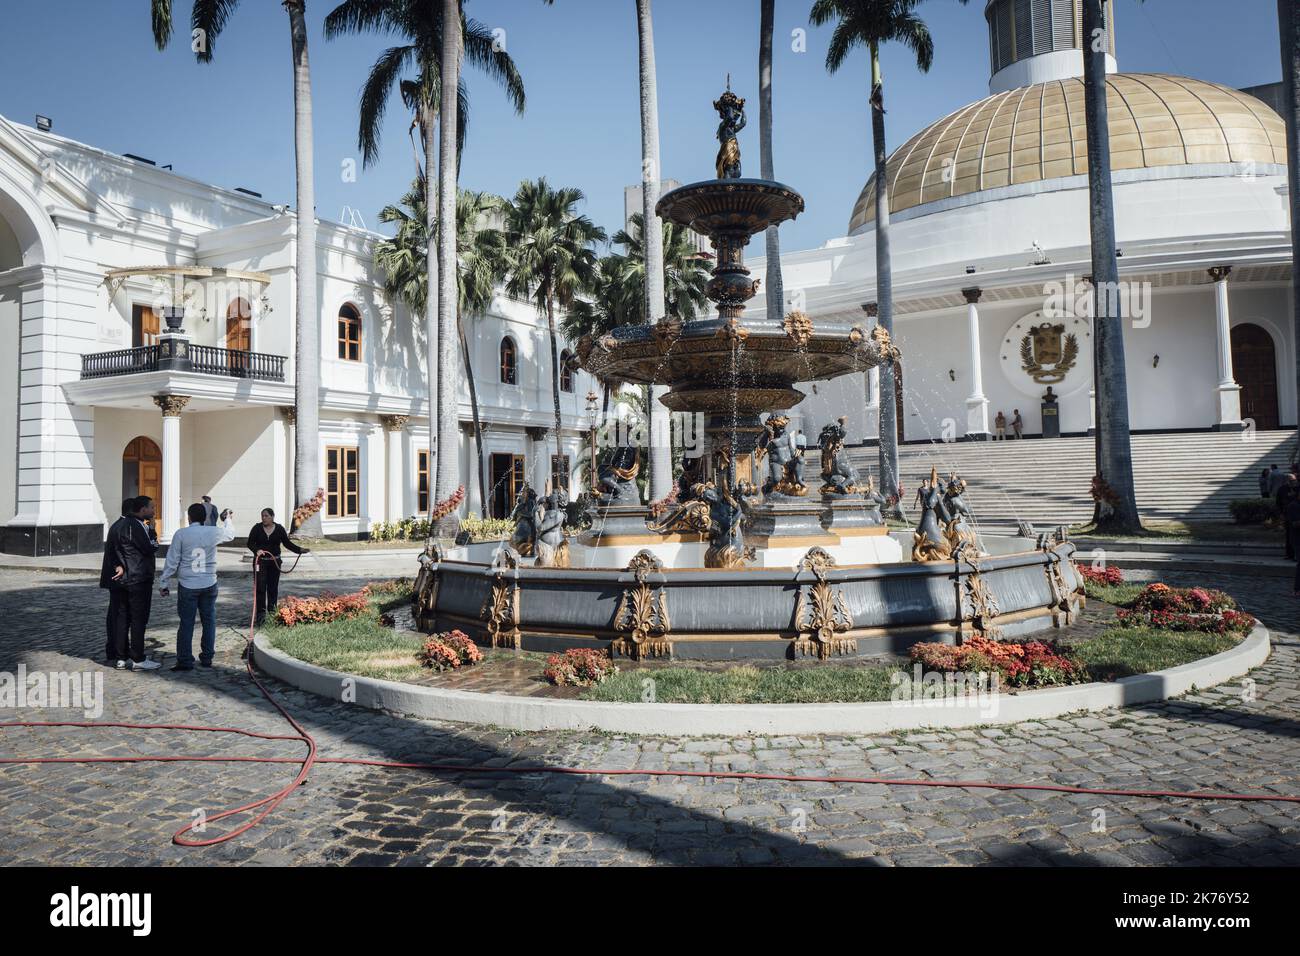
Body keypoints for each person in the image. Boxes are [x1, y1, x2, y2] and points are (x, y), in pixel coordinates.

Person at [159, 503, 235, 671]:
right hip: (209, 582)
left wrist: (164, 582)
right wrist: (228, 518)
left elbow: (172, 560)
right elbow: (230, 535)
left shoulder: (181, 534)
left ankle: (185, 660)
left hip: (188, 584)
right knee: (209, 621)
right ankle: (207, 657)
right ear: (205, 518)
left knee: (186, 623)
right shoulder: (213, 532)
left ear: (189, 517)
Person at [105, 496, 161, 671]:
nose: (153, 511)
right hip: (138, 578)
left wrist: (117, 566)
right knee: (138, 619)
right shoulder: (137, 526)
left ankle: (121, 657)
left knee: (121, 618)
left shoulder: (116, 526)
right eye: (151, 507)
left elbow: (111, 552)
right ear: (142, 509)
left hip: (121, 579)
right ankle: (138, 658)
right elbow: (150, 548)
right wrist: (152, 530)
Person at [247, 508, 309, 625]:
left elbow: (287, 543)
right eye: (262, 516)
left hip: (274, 562)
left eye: (266, 516)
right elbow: (250, 543)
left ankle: (271, 615)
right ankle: (260, 617)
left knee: (272, 589)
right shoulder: (257, 528)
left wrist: (299, 550)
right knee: (260, 589)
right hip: (260, 563)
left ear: (272, 516)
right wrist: (257, 550)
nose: (263, 518)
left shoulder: (279, 529)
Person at [99, 498, 136, 665]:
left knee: (115, 615)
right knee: (118, 616)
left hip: (115, 578)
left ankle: (114, 648)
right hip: (119, 578)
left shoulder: (117, 525)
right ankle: (117, 649)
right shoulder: (124, 527)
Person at [1277, 472, 1299, 560]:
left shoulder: (1298, 488)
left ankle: (1296, 555)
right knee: (1289, 535)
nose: (1293, 482)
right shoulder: (1282, 489)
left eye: (1294, 480)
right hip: (1288, 515)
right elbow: (1278, 502)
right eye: (1291, 480)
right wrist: (1281, 512)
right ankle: (1290, 554)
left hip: (1297, 514)